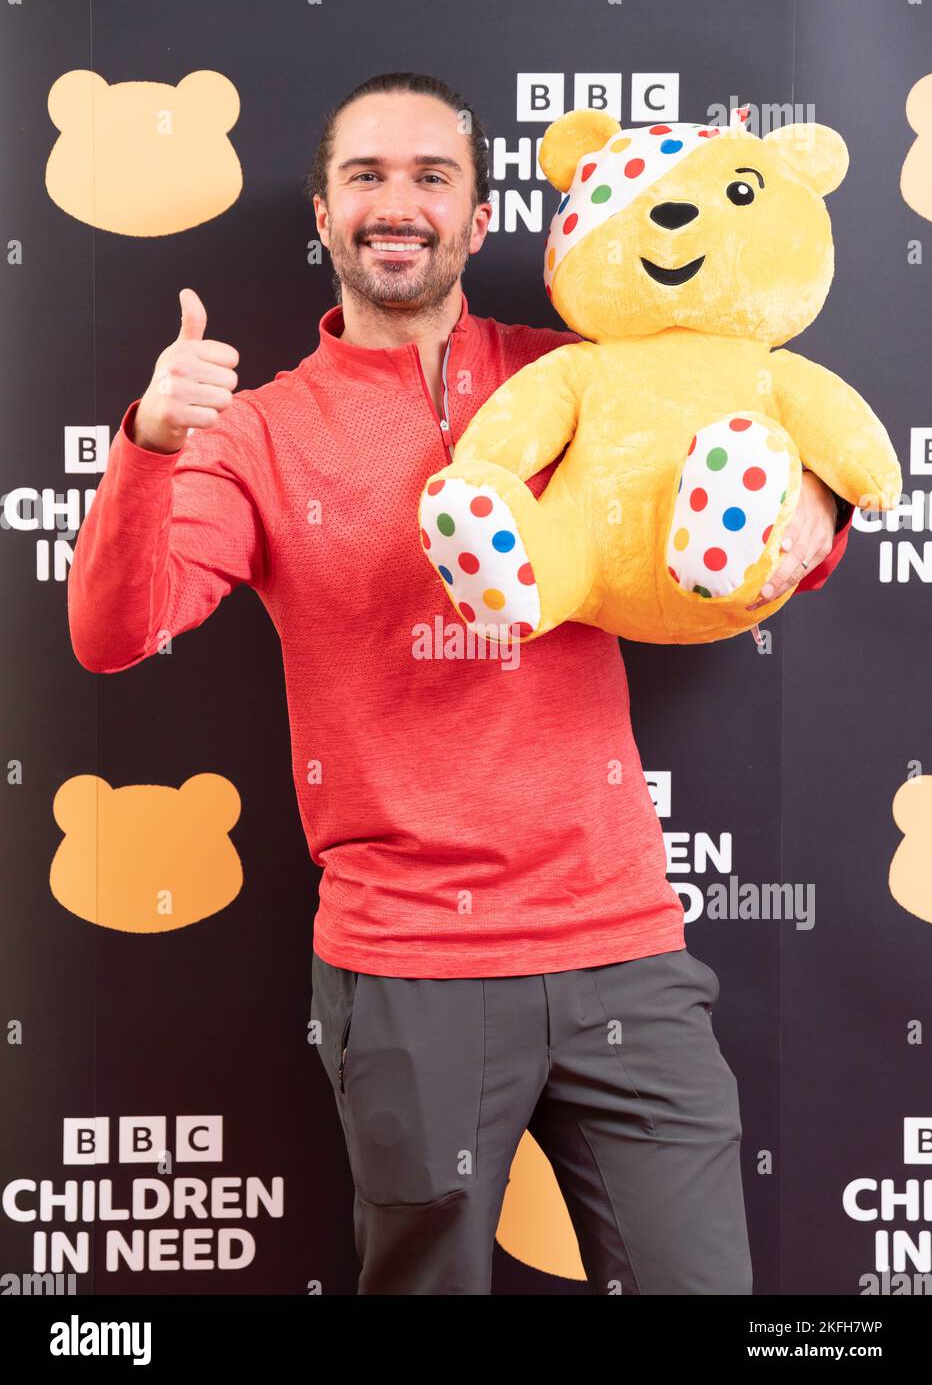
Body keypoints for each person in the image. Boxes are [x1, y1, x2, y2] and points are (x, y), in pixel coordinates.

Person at [67, 71, 853, 1295]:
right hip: (408, 966)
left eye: (432, 176)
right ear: (322, 219)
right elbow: (118, 631)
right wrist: (151, 448)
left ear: (480, 221)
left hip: (621, 947)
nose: (399, 203)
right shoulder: (257, 433)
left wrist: (816, 506)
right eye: (366, 177)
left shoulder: (584, 378)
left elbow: (747, 509)